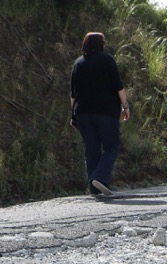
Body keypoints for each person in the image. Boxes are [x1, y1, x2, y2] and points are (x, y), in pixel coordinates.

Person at [70, 32, 130, 197]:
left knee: (91, 149)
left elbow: (73, 94)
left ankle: (94, 188)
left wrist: (73, 115)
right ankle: (100, 177)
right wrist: (126, 107)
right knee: (112, 146)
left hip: (82, 113)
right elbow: (118, 86)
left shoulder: (78, 63)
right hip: (105, 112)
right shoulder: (107, 60)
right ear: (101, 44)